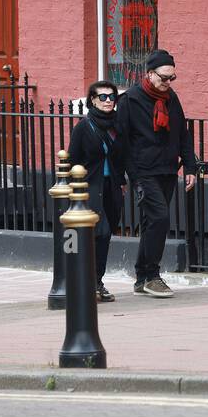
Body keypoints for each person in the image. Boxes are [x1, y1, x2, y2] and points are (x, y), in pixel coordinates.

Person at [116, 49, 198, 298]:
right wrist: (125, 176)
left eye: (172, 78)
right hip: (143, 171)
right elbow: (122, 142)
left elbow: (183, 134)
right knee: (160, 218)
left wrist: (190, 167)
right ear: (150, 74)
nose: (167, 83)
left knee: (152, 222)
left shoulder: (172, 99)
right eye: (163, 78)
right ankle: (152, 275)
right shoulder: (130, 100)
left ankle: (142, 277)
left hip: (168, 169)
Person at [67, 80, 126, 303]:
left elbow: (121, 157)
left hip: (111, 187)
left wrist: (122, 181)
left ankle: (97, 281)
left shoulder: (117, 125)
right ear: (92, 100)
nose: (108, 101)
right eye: (103, 97)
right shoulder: (84, 127)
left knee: (106, 235)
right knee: (95, 234)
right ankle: (86, 282)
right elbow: (73, 159)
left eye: (112, 97)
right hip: (89, 187)